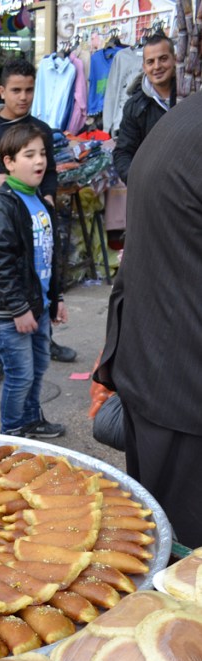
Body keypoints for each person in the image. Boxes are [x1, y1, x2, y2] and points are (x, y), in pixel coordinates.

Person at [97, 91, 202, 548]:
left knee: (163, 536)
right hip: (182, 387)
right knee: (182, 558)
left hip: (156, 369)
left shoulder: (183, 118)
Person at [0, 58, 75, 390]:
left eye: (29, 90)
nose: (23, 97)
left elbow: (49, 172)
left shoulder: (41, 130)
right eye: (16, 90)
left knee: (40, 283)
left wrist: (48, 197)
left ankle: (43, 340)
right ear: (2, 91)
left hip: (36, 224)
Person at [0, 123, 68, 439]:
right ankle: (12, 433)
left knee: (38, 368)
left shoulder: (41, 202)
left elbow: (49, 257)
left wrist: (55, 298)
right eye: (28, 154)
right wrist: (18, 308)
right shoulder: (2, 205)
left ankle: (32, 420)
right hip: (9, 312)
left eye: (42, 153)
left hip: (38, 306)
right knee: (20, 375)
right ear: (9, 162)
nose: (39, 160)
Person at [113, 33, 176, 186]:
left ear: (175, 59)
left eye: (163, 59)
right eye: (150, 62)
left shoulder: (192, 94)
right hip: (154, 190)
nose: (157, 66)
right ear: (144, 67)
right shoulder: (135, 106)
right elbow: (123, 153)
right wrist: (138, 183)